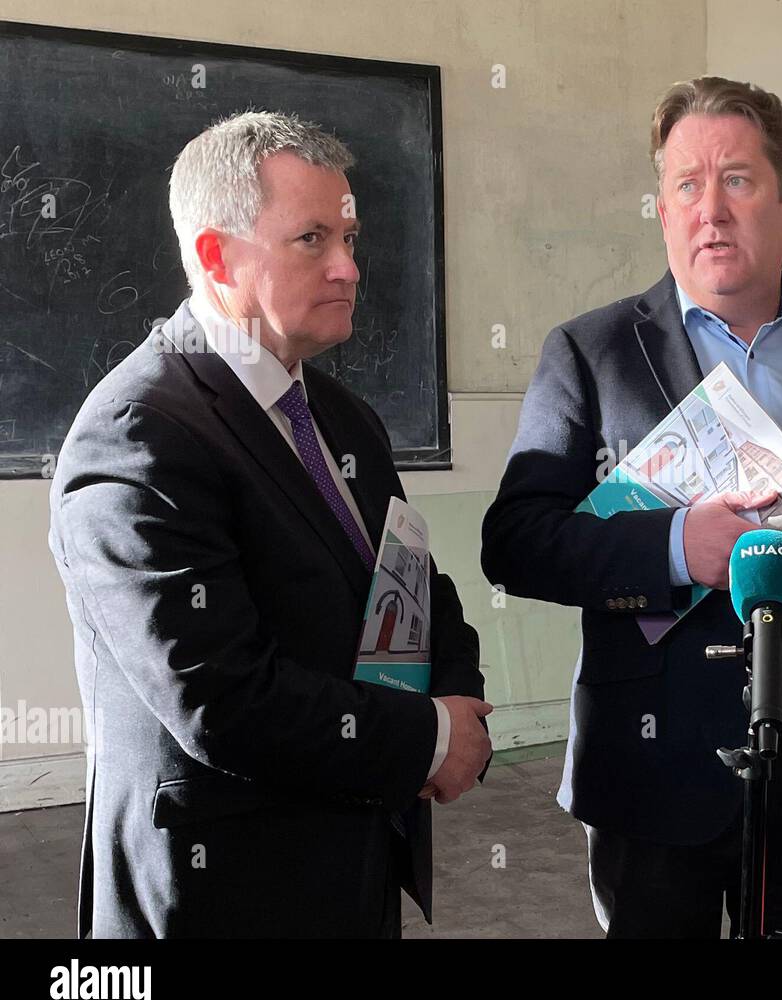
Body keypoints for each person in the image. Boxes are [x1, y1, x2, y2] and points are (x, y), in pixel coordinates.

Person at [481, 77, 782, 938]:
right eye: (686, 185)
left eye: (737, 179)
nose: (710, 209)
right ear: (661, 210)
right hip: (652, 769)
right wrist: (672, 546)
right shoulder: (591, 350)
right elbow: (517, 541)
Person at [48, 111, 492, 938]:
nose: (348, 267)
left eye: (350, 236)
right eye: (312, 239)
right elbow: (220, 697)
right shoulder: (138, 433)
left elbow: (410, 580)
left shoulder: (342, 417)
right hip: (224, 895)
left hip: (351, 864)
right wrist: (429, 738)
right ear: (218, 256)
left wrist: (458, 693)